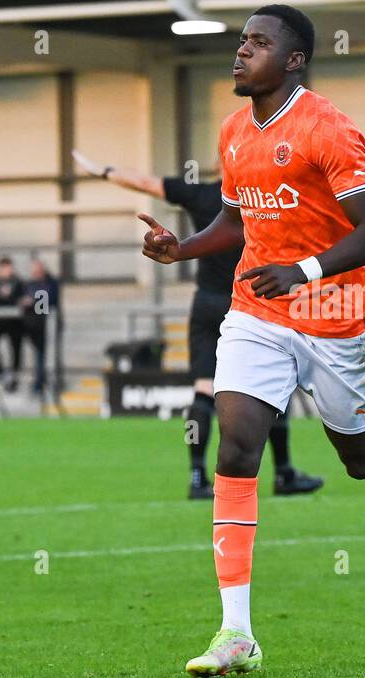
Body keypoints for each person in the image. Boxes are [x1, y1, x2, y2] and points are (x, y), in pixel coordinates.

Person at [137, 4, 365, 678]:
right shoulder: (232, 132)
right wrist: (181, 247)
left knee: (361, 461)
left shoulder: (328, 129)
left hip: (337, 317)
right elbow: (235, 217)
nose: (241, 52)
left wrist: (302, 271)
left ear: (294, 59)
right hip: (259, 312)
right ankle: (236, 632)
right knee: (238, 443)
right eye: (241, 41)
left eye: (257, 43)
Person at [72, 149, 324, 499]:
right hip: (249, 305)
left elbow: (145, 182)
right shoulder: (265, 200)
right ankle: (283, 473)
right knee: (274, 388)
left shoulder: (202, 194)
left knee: (204, 390)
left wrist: (103, 169)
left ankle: (196, 478)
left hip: (206, 304)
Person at [21, 259, 61, 397]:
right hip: (34, 326)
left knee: (48, 356)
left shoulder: (51, 283)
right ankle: (40, 381)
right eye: (33, 272)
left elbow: (46, 303)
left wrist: (33, 300)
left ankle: (44, 382)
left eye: (37, 271)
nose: (35, 274)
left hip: (48, 326)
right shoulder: (30, 284)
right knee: (39, 355)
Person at [0, 257, 24, 392]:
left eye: (10, 267)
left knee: (16, 348)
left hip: (15, 321)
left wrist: (10, 297)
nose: (9, 270)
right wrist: (1, 296)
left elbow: (23, 299)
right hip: (1, 319)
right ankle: (1, 372)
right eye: (6, 267)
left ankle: (14, 376)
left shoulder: (18, 282)